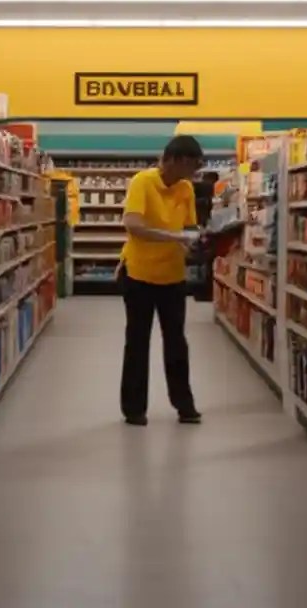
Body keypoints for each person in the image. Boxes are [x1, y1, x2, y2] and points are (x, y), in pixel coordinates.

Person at [117, 135, 205, 426]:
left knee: (176, 342)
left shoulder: (186, 188)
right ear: (174, 160)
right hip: (138, 274)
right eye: (190, 166)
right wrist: (174, 237)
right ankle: (134, 409)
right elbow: (133, 224)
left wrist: (194, 241)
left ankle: (184, 405)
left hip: (172, 275)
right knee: (138, 341)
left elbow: (189, 227)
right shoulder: (143, 181)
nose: (193, 173)